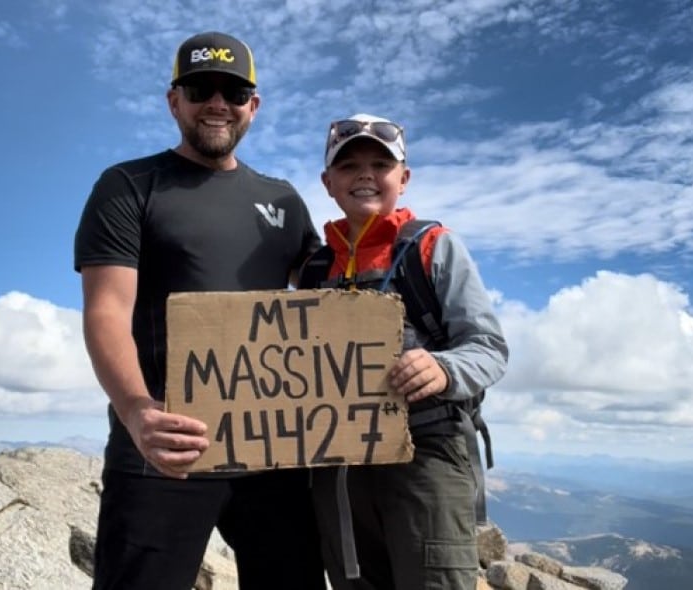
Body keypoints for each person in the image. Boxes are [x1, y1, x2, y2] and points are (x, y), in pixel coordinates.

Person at [73, 31, 325, 590]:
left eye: (234, 92)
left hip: (272, 447)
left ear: (252, 107)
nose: (218, 103)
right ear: (174, 100)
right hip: (165, 445)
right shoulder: (128, 186)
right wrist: (138, 413)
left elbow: (329, 307)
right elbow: (106, 312)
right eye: (201, 88)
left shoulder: (283, 200)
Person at [303, 114, 509, 589]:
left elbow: (490, 347)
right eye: (349, 165)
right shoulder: (315, 267)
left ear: (404, 177)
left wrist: (442, 368)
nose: (366, 175)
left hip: (426, 458)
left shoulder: (433, 247)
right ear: (328, 182)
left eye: (381, 163)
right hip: (341, 470)